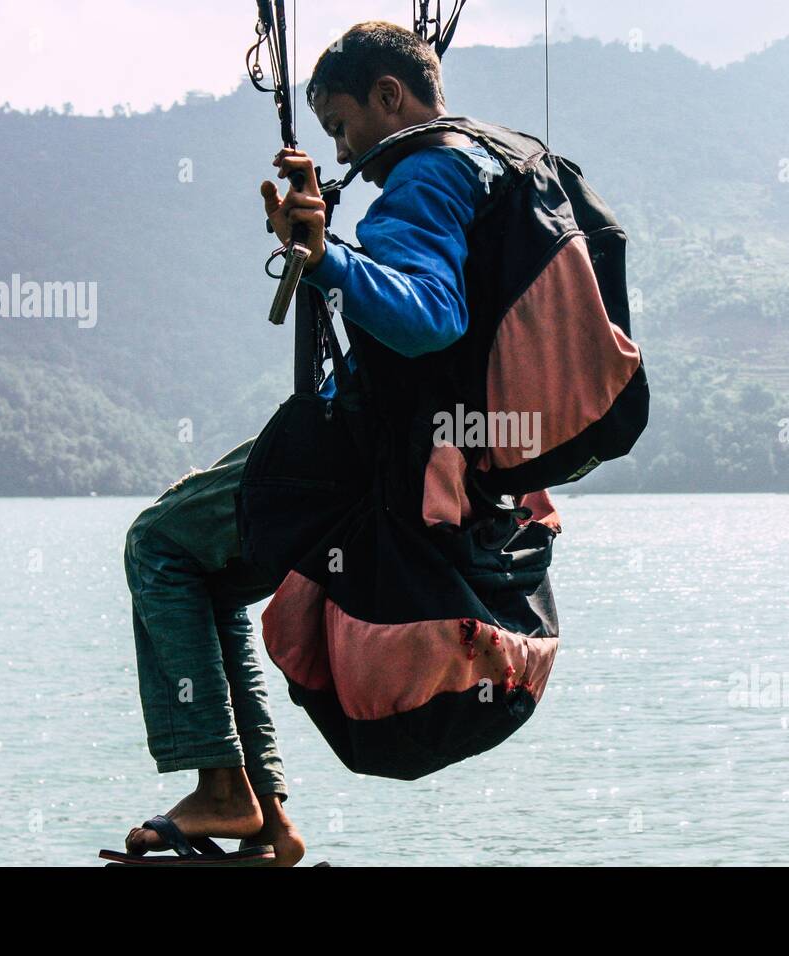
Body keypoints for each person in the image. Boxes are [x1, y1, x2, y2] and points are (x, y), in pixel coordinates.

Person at [119, 20, 503, 865]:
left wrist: (324, 255)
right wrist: (326, 240)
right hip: (413, 453)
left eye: (341, 125)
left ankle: (225, 790)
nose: (343, 145)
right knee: (209, 574)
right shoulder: (485, 166)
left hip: (367, 454)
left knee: (158, 543)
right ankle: (273, 826)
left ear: (389, 97)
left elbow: (430, 316)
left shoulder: (429, 173)